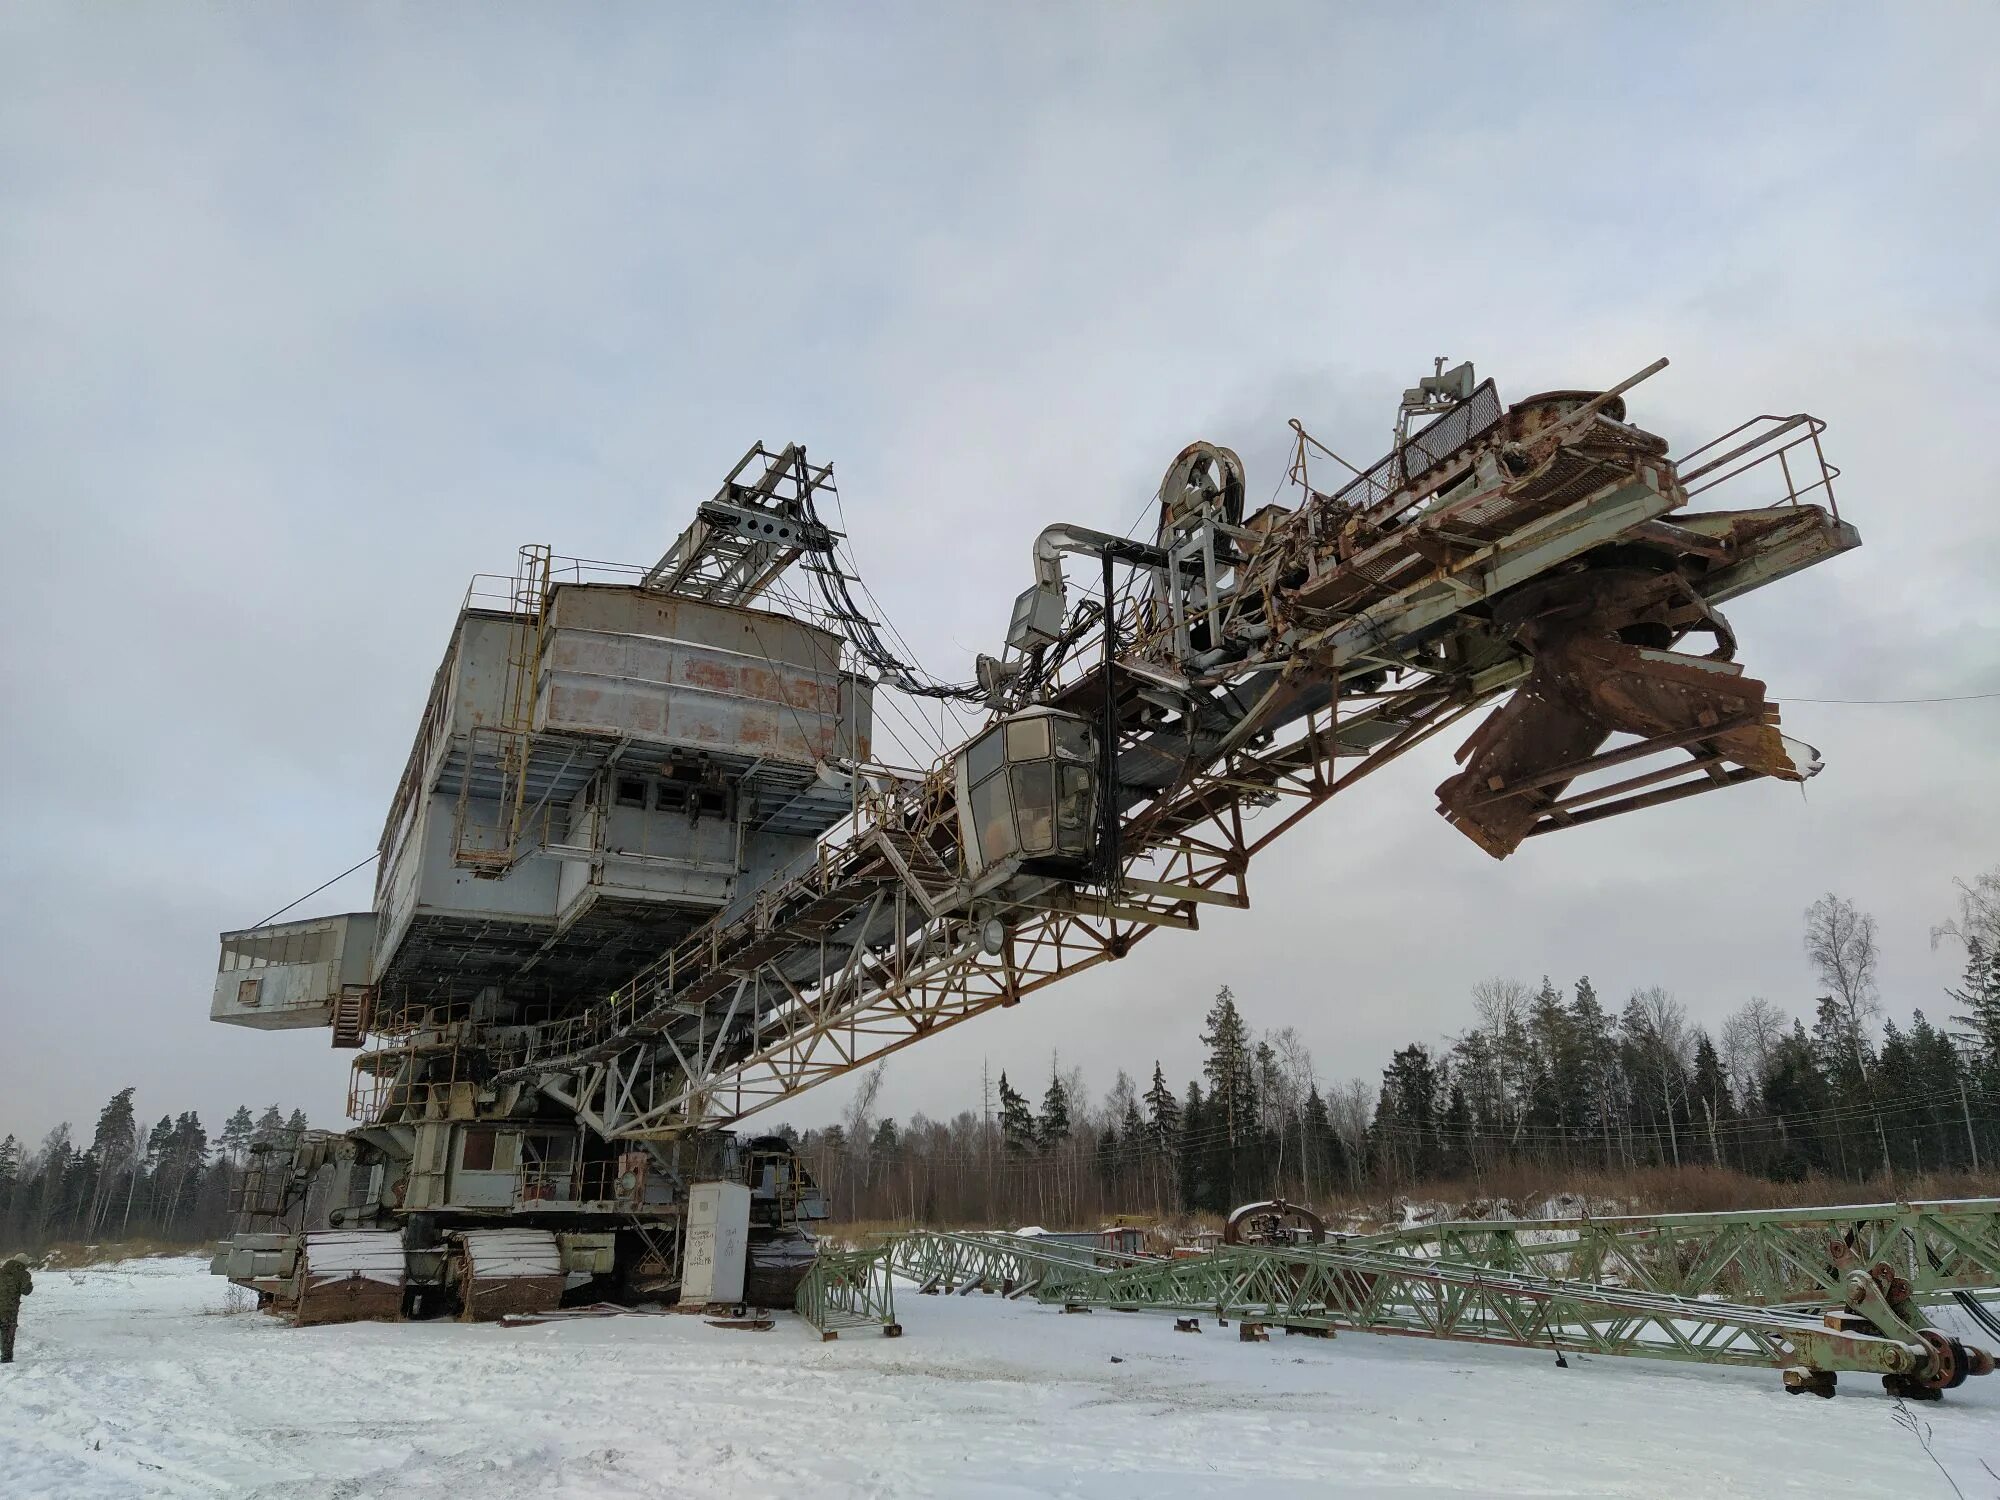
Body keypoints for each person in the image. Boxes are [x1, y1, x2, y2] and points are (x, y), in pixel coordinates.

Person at [0, 1253, 33, 1363]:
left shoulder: (1, 1271)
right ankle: (6, 1359)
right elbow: (26, 1291)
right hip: (9, 1310)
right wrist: (29, 1285)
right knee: (7, 1334)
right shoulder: (23, 1275)